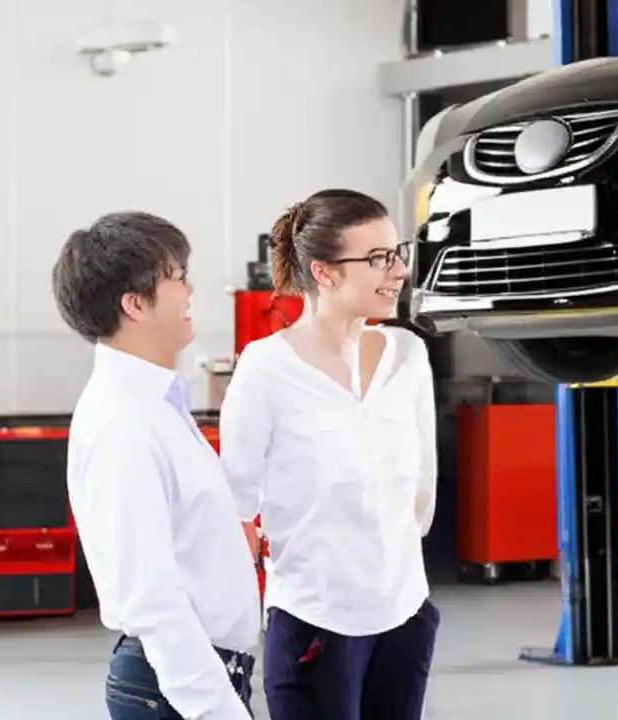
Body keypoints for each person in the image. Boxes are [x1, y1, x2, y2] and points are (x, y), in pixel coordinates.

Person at [218, 189, 441, 720]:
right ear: (324, 273)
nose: (399, 271)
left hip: (404, 615)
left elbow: (423, 485)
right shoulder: (265, 368)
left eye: (397, 252)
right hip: (314, 623)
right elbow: (235, 506)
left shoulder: (409, 355)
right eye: (377, 259)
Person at [53, 211, 260, 720]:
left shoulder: (156, 402)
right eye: (177, 278)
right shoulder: (124, 423)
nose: (189, 291)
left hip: (196, 676)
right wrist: (220, 712)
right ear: (135, 304)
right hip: (177, 688)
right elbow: (150, 597)